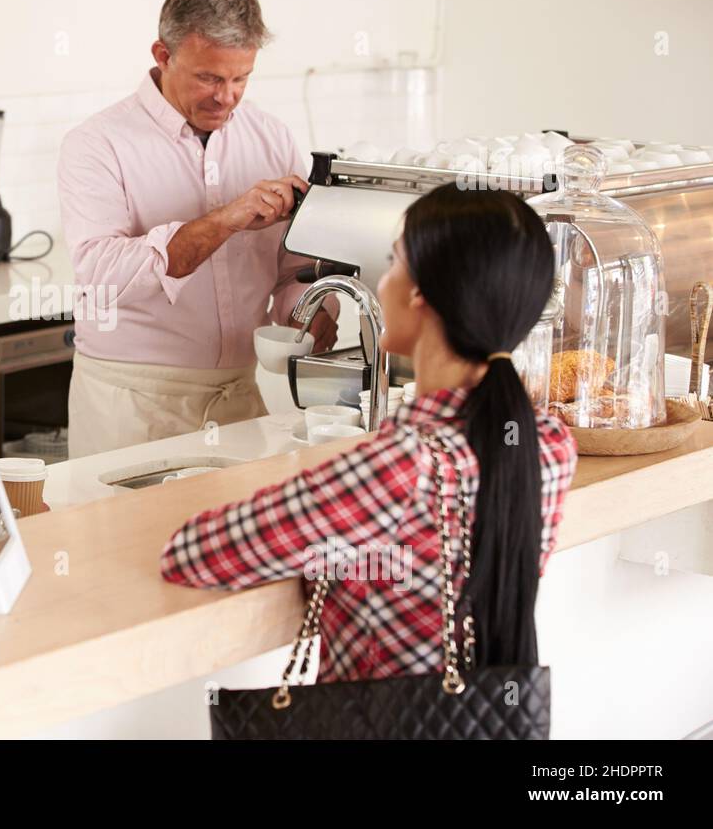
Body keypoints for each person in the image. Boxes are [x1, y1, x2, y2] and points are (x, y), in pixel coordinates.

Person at [160, 184, 579, 680]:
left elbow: (192, 555)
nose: (382, 282)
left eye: (394, 261)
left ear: (421, 291)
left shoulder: (404, 464)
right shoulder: (549, 441)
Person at [59, 0, 339, 460]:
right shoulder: (96, 144)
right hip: (131, 407)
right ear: (163, 55)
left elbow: (293, 267)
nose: (226, 96)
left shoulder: (271, 137)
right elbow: (98, 273)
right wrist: (224, 220)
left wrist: (306, 312)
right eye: (208, 77)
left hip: (238, 400)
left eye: (241, 78)